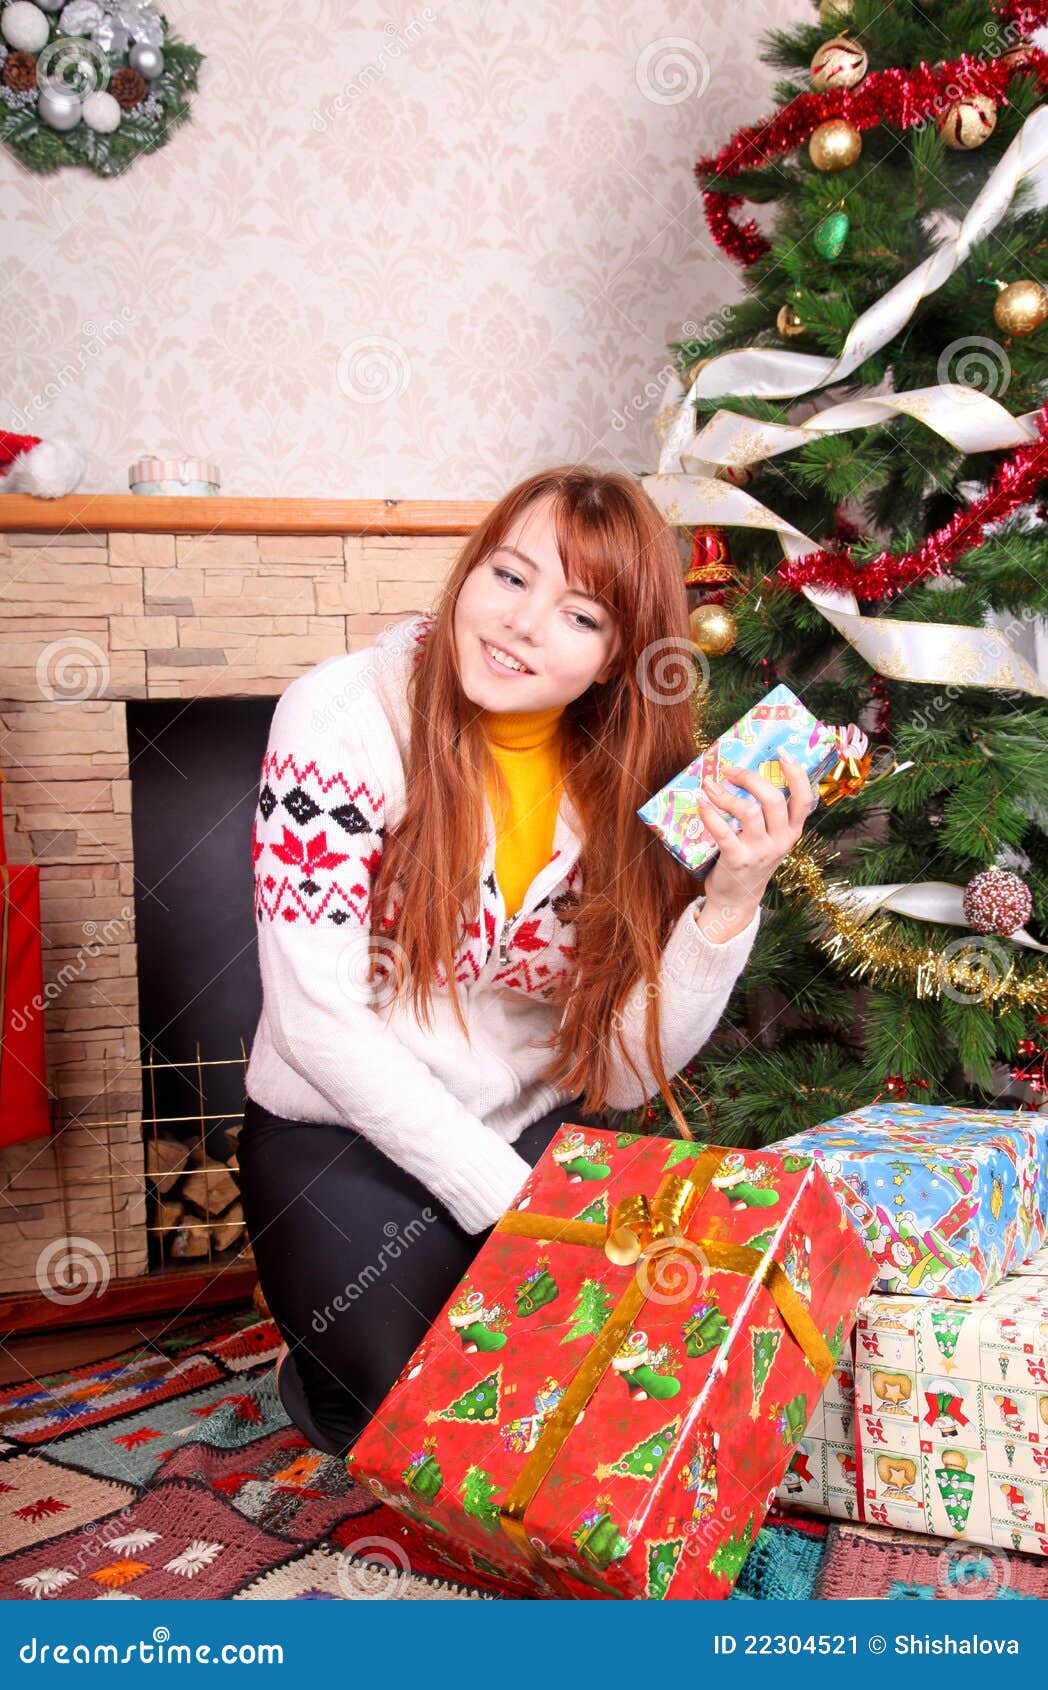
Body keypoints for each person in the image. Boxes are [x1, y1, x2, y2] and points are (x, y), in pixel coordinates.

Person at [237, 463, 818, 1459]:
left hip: (524, 1125)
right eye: (508, 577)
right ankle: (328, 1359)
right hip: (336, 1129)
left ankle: (457, 1297)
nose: (519, 624)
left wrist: (731, 897)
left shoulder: (631, 784)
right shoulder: (338, 719)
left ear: (615, 658)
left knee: (616, 1403)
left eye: (579, 615)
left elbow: (628, 1071)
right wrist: (516, 1215)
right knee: (422, 1434)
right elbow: (314, 1022)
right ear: (468, 575)